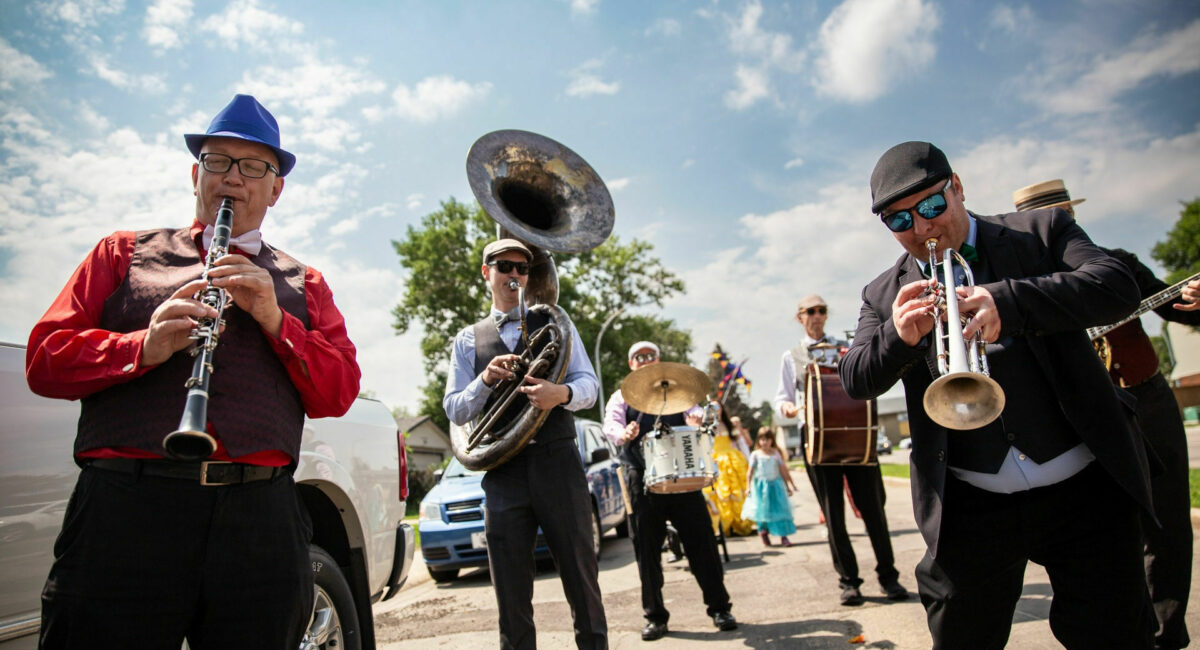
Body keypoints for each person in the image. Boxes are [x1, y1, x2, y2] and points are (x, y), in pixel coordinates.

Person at [25, 94, 361, 648]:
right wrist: (142, 347)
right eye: (218, 162)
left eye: (254, 167)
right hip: (124, 515)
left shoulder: (306, 284)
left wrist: (277, 320)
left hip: (260, 523)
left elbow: (339, 391)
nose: (234, 178)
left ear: (276, 188)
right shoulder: (121, 253)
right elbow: (44, 360)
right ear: (194, 174)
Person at [840, 141, 1157, 649]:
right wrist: (898, 337)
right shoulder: (882, 293)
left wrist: (1009, 300)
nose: (921, 230)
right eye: (900, 221)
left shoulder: (1040, 232)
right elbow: (856, 378)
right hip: (973, 505)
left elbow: (1115, 285)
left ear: (957, 187)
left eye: (930, 206)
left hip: (1084, 489)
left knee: (1115, 635)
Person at [1014, 179, 1200, 650]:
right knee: (1109, 530)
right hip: (1083, 417)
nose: (1059, 224)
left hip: (1148, 397)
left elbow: (1178, 309)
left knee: (1169, 520)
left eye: (1064, 213)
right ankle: (1128, 632)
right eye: (1048, 217)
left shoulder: (1117, 262)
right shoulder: (1026, 283)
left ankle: (1168, 634)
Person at [443, 238, 607, 650]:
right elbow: (454, 409)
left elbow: (589, 383)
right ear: (487, 273)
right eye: (504, 266)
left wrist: (560, 395)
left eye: (522, 268)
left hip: (557, 463)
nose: (514, 274)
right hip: (503, 474)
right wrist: (484, 381)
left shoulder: (556, 322)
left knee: (582, 582)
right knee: (511, 597)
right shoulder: (467, 340)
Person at [773, 294, 909, 605]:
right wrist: (793, 410)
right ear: (800, 317)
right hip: (818, 440)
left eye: (821, 310)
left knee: (874, 510)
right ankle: (849, 582)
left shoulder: (845, 348)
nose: (817, 316)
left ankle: (889, 578)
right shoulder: (790, 356)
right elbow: (782, 399)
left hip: (856, 435)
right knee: (834, 515)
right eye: (810, 311)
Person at [602, 341, 737, 641]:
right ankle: (655, 616)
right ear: (631, 364)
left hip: (683, 480)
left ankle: (719, 608)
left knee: (702, 544)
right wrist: (622, 433)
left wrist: (697, 418)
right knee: (647, 552)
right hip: (642, 481)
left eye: (651, 356)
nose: (646, 360)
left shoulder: (678, 392)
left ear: (659, 361)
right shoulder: (621, 396)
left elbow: (696, 411)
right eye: (640, 357)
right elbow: (609, 424)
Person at [703, 403, 754, 537]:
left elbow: (739, 441)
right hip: (716, 460)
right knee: (721, 492)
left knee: (737, 490)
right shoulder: (707, 427)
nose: (716, 411)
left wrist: (738, 429)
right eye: (712, 409)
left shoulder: (728, 425)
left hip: (732, 459)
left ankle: (740, 523)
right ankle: (724, 525)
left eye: (718, 408)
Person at [741, 428, 797, 546]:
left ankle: (783, 536)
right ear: (759, 441)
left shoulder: (776, 454)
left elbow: (783, 471)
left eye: (767, 439)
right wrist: (748, 487)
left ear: (772, 440)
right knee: (763, 511)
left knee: (780, 510)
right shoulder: (755, 455)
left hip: (776, 486)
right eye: (762, 439)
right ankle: (763, 532)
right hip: (761, 488)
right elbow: (750, 472)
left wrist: (788, 486)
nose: (764, 442)